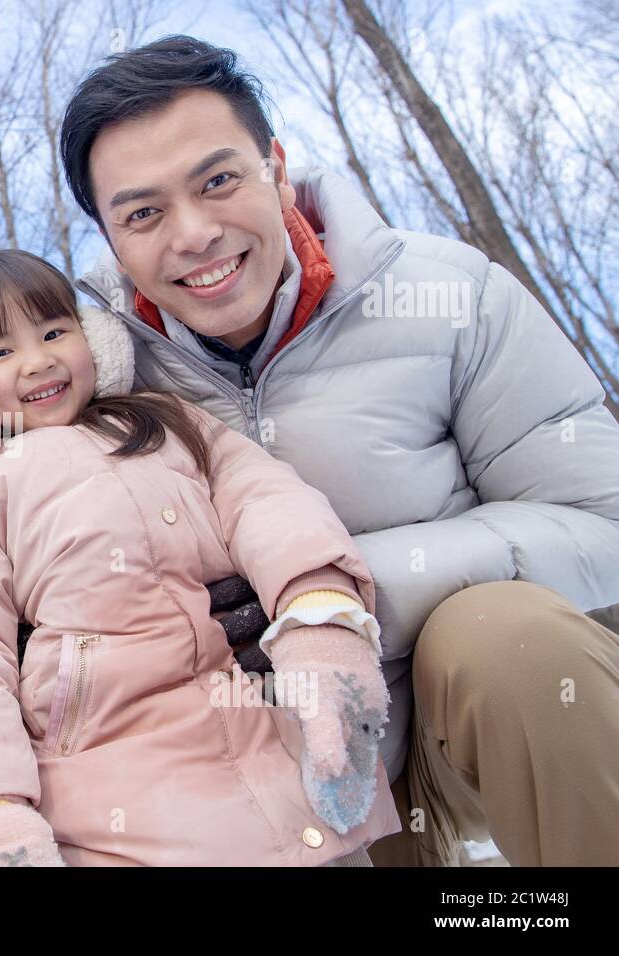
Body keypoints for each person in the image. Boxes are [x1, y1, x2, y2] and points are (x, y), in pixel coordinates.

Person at [61, 35, 619, 864]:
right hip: (256, 791)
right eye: (143, 213)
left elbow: (601, 522)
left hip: (449, 748)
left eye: (218, 181)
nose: (194, 234)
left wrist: (337, 591)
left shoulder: (448, 299)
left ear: (276, 168)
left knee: (511, 640)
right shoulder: (93, 388)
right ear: (111, 238)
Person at [0, 248, 400, 865]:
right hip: (119, 791)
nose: (40, 359)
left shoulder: (164, 423)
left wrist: (317, 614)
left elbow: (266, 499)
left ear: (97, 340)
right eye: (0, 352)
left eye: (56, 331)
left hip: (269, 734)